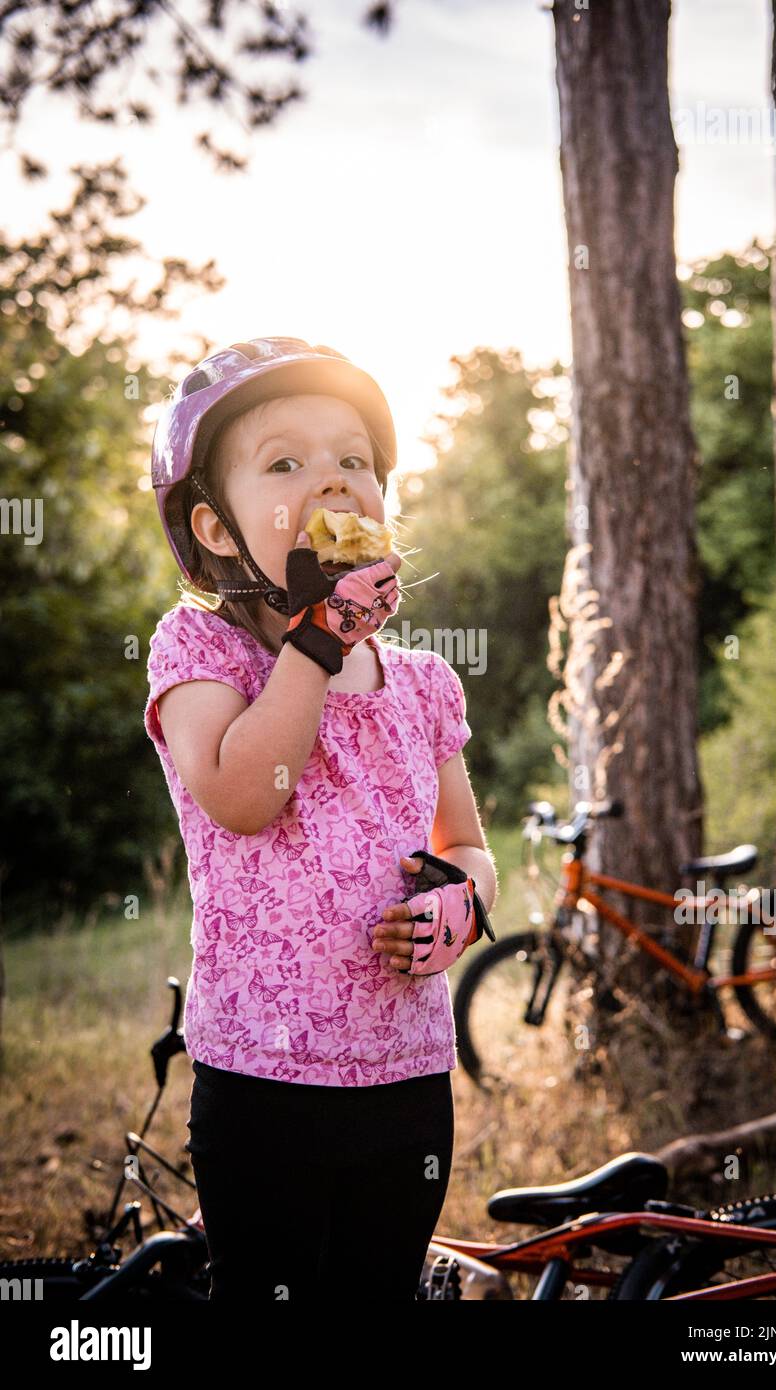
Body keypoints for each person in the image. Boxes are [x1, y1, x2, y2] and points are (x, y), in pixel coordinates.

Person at [143, 337, 498, 1302]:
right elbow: (248, 796)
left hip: (405, 1077)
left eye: (355, 460)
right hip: (264, 1081)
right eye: (287, 464)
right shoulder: (200, 652)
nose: (334, 483)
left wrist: (460, 906)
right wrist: (313, 643)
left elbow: (464, 846)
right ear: (216, 529)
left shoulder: (420, 684)